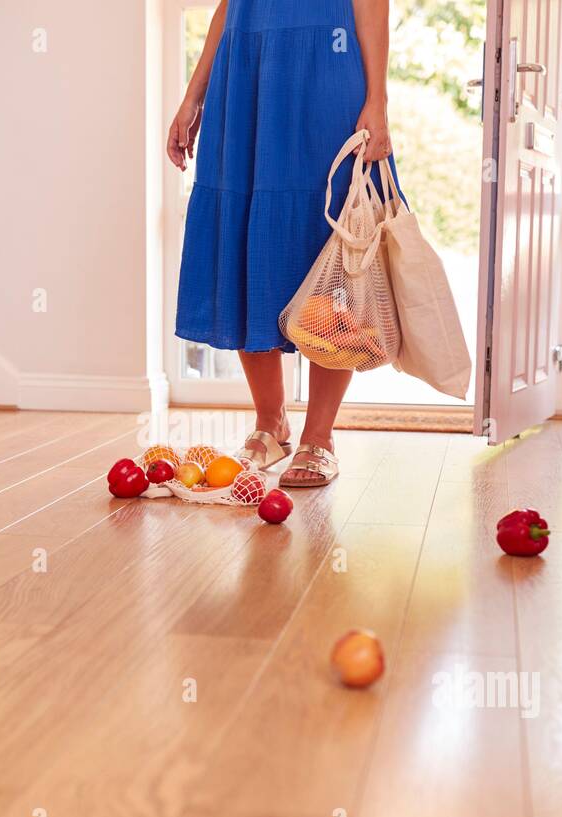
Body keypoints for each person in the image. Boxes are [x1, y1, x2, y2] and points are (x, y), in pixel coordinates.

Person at [168, 0, 396, 487]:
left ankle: (319, 436)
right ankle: (270, 423)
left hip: (328, 72)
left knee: (329, 242)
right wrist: (193, 97)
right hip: (244, 73)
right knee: (246, 234)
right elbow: (229, 8)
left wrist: (377, 100)